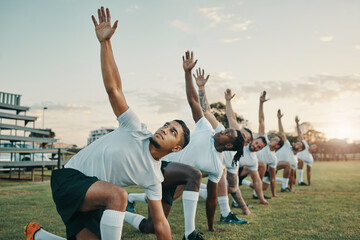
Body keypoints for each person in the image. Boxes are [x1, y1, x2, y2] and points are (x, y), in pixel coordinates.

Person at [24, 7, 190, 240]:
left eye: (173, 131)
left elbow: (160, 223)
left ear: (176, 148)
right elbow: (114, 89)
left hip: (95, 198)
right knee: (119, 196)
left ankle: (38, 235)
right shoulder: (134, 128)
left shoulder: (154, 178)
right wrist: (105, 43)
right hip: (71, 179)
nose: (164, 129)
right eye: (166, 124)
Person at [125, 53, 245, 240]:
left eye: (227, 133)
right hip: (157, 166)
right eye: (225, 130)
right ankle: (190, 234)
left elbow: (212, 199)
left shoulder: (216, 166)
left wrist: (212, 227)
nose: (222, 131)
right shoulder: (205, 128)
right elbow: (193, 101)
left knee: (151, 227)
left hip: (169, 182)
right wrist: (187, 73)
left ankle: (121, 208)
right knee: (194, 174)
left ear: (228, 145)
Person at [224, 89, 269, 205]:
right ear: (252, 140)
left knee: (218, 192)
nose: (256, 146)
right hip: (220, 165)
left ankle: (233, 198)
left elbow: (257, 180)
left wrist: (261, 199)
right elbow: (232, 118)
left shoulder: (253, 159)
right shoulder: (240, 138)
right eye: (256, 143)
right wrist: (228, 101)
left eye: (259, 147)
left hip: (233, 174)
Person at [295, 116, 314, 186]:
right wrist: (297, 123)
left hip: (296, 164)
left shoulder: (310, 159)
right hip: (292, 158)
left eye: (314, 146)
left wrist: (309, 182)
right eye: (312, 145)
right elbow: (300, 134)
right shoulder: (306, 146)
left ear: (314, 150)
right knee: (301, 161)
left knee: (292, 181)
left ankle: (300, 182)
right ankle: (300, 181)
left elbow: (308, 171)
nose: (312, 146)